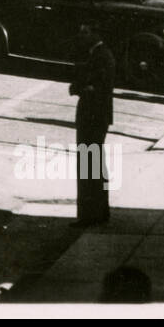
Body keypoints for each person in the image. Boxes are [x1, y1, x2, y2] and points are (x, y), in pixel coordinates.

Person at [69, 21, 116, 227]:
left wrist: (78, 87)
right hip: (97, 117)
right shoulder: (98, 54)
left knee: (89, 165)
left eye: (85, 32)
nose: (81, 35)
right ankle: (99, 211)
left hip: (92, 117)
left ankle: (90, 214)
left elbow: (95, 86)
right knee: (94, 163)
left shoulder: (100, 56)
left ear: (95, 34)